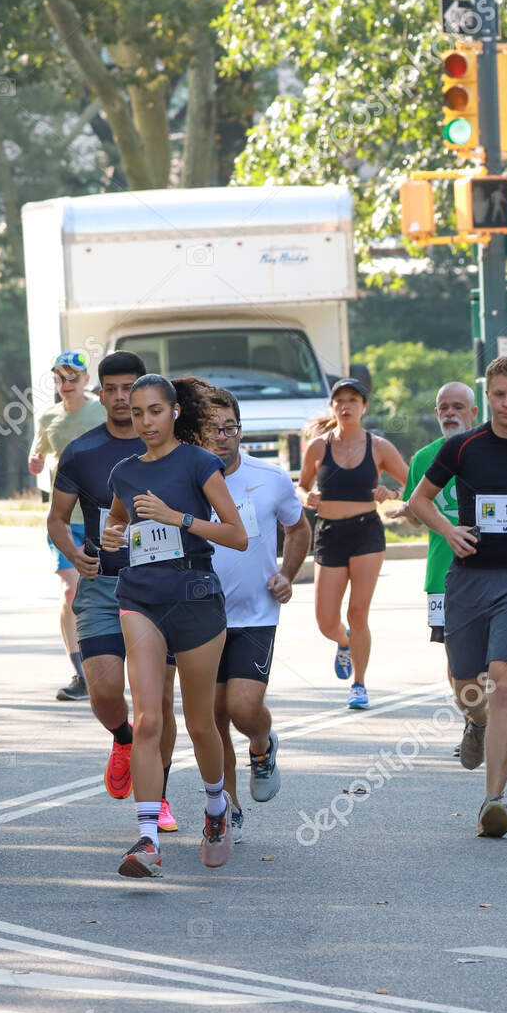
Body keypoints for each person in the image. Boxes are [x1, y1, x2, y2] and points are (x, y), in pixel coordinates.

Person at [405, 354, 507, 838]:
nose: (506, 403)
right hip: (466, 581)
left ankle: (493, 799)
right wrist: (448, 529)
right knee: (466, 684)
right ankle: (473, 723)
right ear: (488, 395)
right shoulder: (462, 447)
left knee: (504, 683)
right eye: (498, 394)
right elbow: (417, 500)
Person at [100, 375, 249, 878]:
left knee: (201, 722)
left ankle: (214, 809)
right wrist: (114, 537)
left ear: (174, 413)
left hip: (195, 598)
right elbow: (116, 525)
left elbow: (237, 535)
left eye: (155, 411)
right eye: (137, 412)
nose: (145, 421)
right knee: (146, 720)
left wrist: (177, 518)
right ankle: (145, 841)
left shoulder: (199, 463)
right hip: (140, 598)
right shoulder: (123, 472)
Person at [50, 351, 178, 833]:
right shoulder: (82, 452)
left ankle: (158, 795)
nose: (123, 398)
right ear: (100, 394)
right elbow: (57, 520)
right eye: (113, 389)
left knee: (158, 702)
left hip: (159, 587)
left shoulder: (173, 447)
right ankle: (122, 738)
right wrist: (75, 554)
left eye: (131, 388)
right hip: (103, 584)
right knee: (103, 689)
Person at [207, 389, 310, 839]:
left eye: (229, 427)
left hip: (255, 613)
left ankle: (263, 745)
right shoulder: (187, 479)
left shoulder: (269, 478)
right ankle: (226, 806)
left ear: (240, 430)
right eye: (211, 428)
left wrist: (288, 573)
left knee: (243, 707)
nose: (222, 437)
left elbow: (298, 527)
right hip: (201, 616)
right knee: (212, 717)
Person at [297, 377, 409, 710]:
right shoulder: (318, 447)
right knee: (325, 621)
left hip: (366, 533)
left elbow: (414, 483)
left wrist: (390, 493)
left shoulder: (379, 447)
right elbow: (300, 486)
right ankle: (344, 642)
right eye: (339, 401)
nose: (346, 406)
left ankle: (359, 684)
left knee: (358, 613)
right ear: (332, 407)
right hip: (329, 533)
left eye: (353, 400)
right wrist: (308, 497)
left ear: (364, 407)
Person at [30, 351, 107, 701]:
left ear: (85, 380)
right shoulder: (48, 417)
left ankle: (119, 665)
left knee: (112, 593)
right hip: (64, 519)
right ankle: (82, 673)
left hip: (104, 516)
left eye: (72, 377)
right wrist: (35, 462)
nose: (66, 385)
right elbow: (39, 456)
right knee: (71, 591)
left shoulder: (102, 411)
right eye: (60, 378)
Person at [400, 381, 477, 647]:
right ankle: (460, 692)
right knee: (455, 652)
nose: (450, 413)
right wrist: (409, 513)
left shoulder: (489, 450)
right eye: (443, 408)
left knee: (489, 650)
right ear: (436, 413)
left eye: (458, 407)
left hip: (488, 570)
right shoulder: (422, 458)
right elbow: (415, 518)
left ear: (474, 412)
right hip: (442, 571)